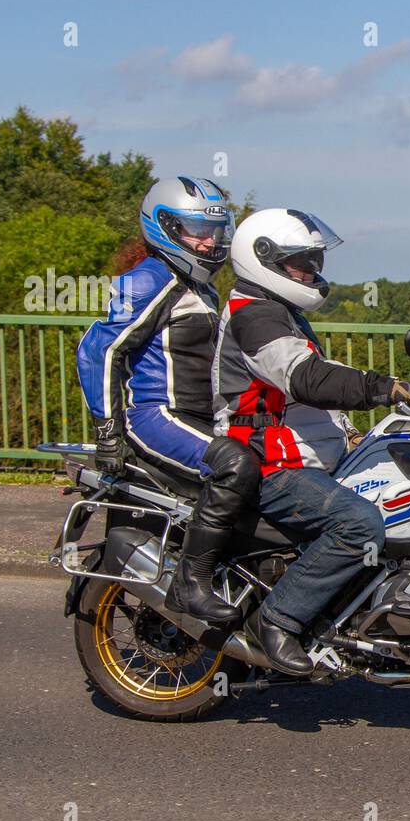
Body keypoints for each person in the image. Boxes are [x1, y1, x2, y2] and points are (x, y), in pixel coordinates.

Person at [212, 208, 410, 674]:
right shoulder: (255, 316)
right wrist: (383, 387)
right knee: (359, 525)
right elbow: (305, 378)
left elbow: (316, 390)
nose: (312, 272)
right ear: (262, 258)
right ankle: (278, 620)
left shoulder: (281, 313)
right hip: (271, 466)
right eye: (301, 262)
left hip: (307, 459)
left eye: (315, 261)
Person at [76, 176, 260, 625]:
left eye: (216, 230)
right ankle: (191, 583)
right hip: (157, 416)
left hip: (199, 417)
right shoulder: (149, 280)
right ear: (164, 227)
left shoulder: (199, 286)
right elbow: (97, 351)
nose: (210, 241)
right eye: (198, 230)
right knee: (238, 466)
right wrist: (108, 432)